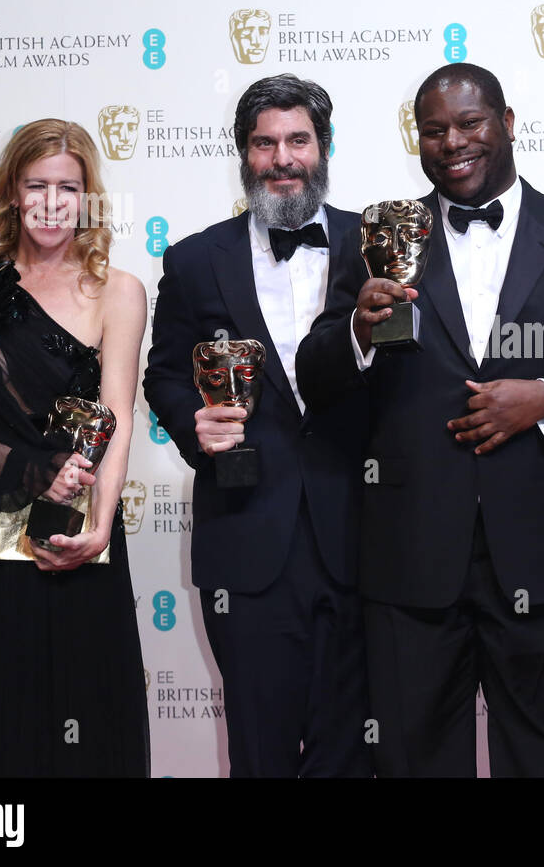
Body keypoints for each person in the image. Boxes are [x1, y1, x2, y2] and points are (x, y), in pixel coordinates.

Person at [297, 62, 544, 777]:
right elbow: (316, 375)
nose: (452, 142)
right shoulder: (378, 237)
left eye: (469, 123)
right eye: (434, 131)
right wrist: (358, 336)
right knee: (413, 760)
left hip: (539, 551)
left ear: (508, 123)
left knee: (542, 758)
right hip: (409, 558)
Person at [142, 75, 370, 777]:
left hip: (367, 537)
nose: (282, 158)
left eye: (297, 140)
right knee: (260, 750)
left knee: (355, 751)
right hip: (246, 537)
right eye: (264, 143)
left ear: (323, 148)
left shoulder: (378, 245)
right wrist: (193, 424)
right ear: (243, 155)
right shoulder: (193, 259)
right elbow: (164, 374)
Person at [0, 118, 149, 776]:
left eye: (68, 188)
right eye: (37, 185)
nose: (52, 202)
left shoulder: (119, 290)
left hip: (73, 532)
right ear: (12, 193)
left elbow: (118, 418)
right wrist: (27, 469)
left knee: (81, 710)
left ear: (88, 197)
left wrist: (102, 525)